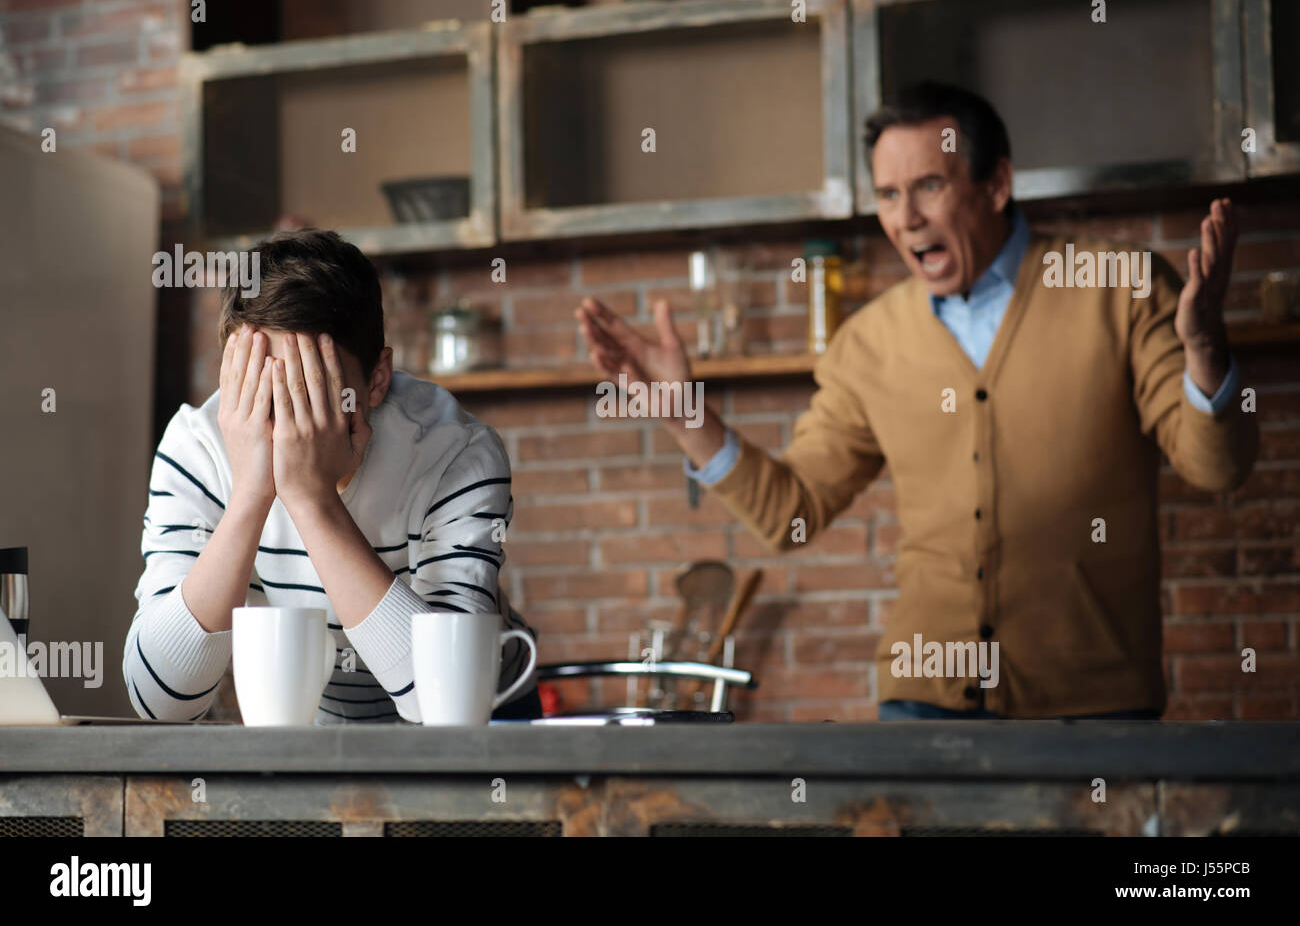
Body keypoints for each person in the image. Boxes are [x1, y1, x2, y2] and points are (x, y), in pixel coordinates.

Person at [576, 81, 1258, 721]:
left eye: (929, 186)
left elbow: (1216, 467)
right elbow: (791, 512)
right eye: (888, 194)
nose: (906, 219)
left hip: (1093, 706)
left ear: (996, 184)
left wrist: (1205, 349)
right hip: (922, 707)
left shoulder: (1120, 287)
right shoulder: (867, 342)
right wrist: (683, 413)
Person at [125, 229, 539, 723]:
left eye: (314, 393)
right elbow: (160, 702)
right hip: (314, 725)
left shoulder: (458, 452)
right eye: (263, 390)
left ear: (377, 379)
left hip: (491, 715)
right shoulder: (197, 448)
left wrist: (311, 500)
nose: (290, 428)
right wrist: (251, 496)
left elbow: (442, 705)